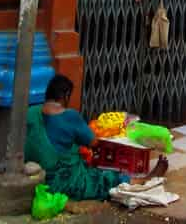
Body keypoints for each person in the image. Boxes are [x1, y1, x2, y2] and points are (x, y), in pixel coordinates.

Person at [24, 74, 167, 202]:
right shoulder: (69, 116)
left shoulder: (31, 112)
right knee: (105, 178)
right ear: (66, 96)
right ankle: (144, 180)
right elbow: (93, 142)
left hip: (35, 177)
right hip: (61, 181)